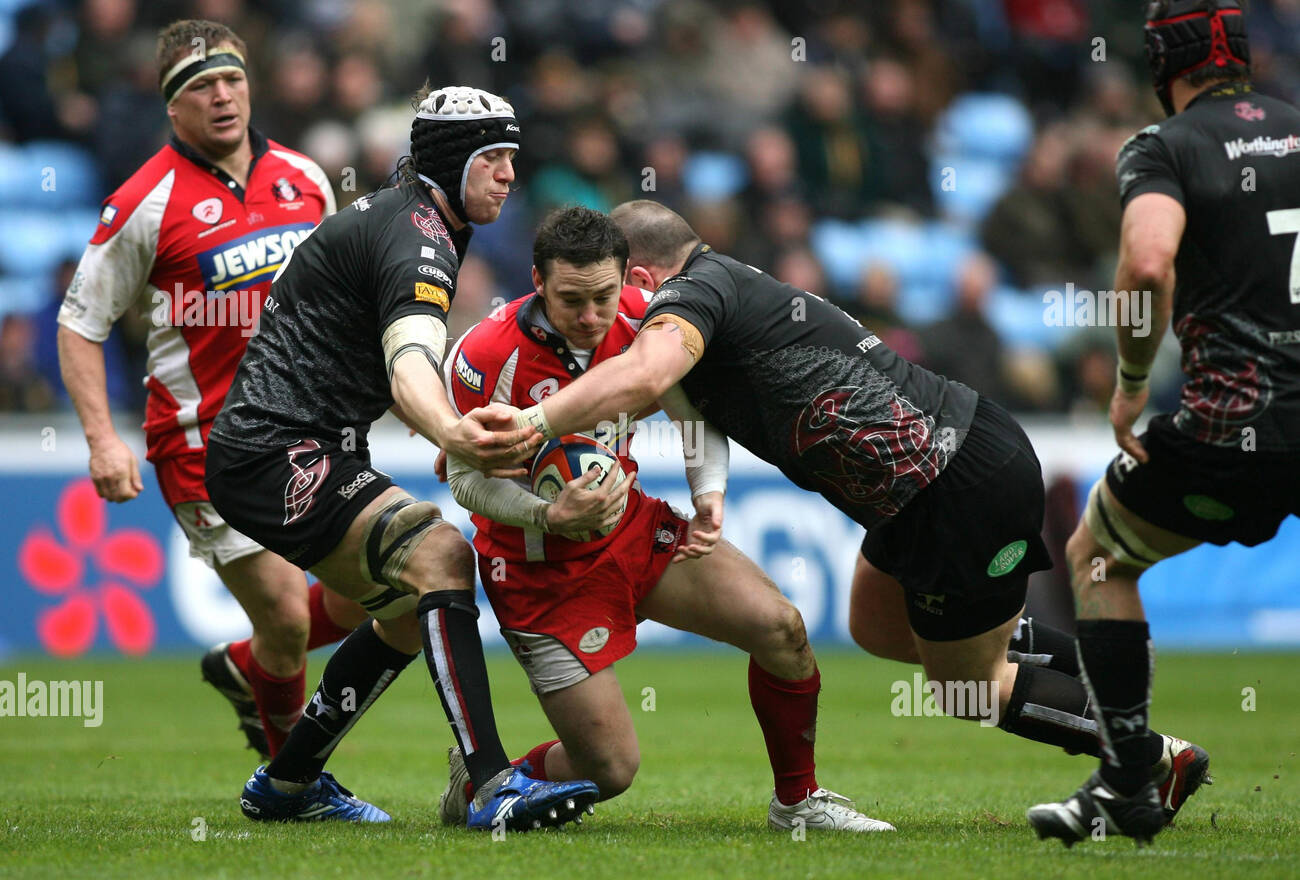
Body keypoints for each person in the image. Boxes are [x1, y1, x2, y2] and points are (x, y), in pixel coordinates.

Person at [506, 199, 1209, 827]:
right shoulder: (727, 288)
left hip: (954, 483)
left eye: (613, 291)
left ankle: (1146, 754)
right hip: (929, 483)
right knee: (875, 625)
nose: (606, 316)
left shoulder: (695, 293)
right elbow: (688, 407)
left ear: (640, 281)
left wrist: (532, 424)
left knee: (966, 687)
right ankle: (1099, 686)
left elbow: (649, 374)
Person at [205, 85, 598, 828]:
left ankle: (287, 783)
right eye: (494, 158)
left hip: (273, 448)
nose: (510, 174)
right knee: (443, 558)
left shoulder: (408, 213)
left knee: (398, 615)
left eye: (513, 157)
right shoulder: (419, 232)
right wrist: (452, 432)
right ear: (451, 162)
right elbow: (410, 359)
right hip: (276, 450)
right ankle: (490, 785)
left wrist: (450, 422)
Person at [438, 205, 894, 832]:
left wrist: (708, 489)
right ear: (538, 282)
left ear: (626, 275)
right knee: (610, 771)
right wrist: (550, 513)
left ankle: (797, 803)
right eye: (573, 300)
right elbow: (464, 480)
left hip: (631, 531)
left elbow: (691, 411)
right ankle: (485, 784)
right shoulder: (485, 355)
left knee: (781, 627)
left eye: (604, 295)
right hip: (537, 572)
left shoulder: (646, 317)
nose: (593, 317)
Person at [56, 19, 365, 761]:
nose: (222, 96)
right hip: (203, 442)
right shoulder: (144, 201)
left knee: (366, 596)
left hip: (305, 434)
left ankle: (242, 666)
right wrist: (103, 438)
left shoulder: (306, 178)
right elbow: (79, 324)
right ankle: (293, 779)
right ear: (173, 106)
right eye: (200, 86)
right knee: (289, 620)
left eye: (231, 79)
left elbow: (339, 302)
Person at [1029, 0, 1297, 845]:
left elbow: (1147, 263)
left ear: (1160, 66)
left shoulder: (1163, 147)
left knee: (1097, 555)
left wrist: (1133, 381)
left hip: (1233, 426)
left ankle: (1128, 784)